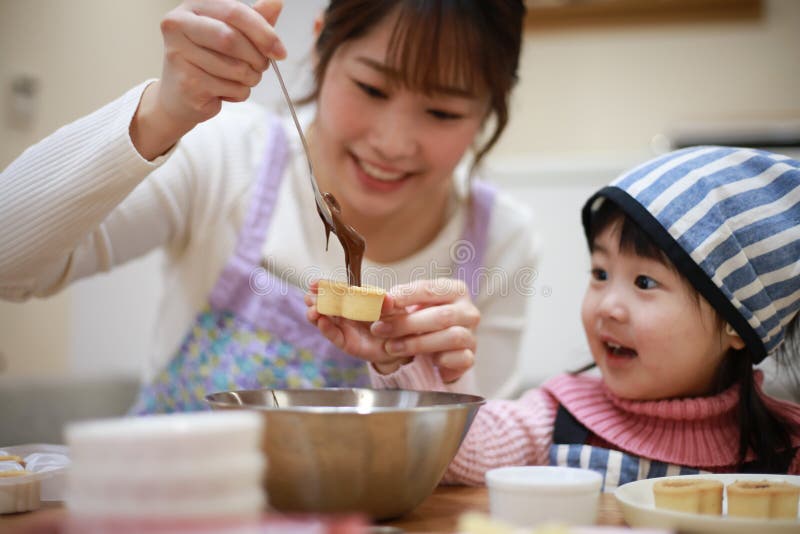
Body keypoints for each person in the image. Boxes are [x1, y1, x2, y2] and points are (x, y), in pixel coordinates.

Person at [0, 0, 537, 412]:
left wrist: (434, 371)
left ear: (492, 106)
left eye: (442, 112)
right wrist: (160, 113)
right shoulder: (230, 155)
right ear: (322, 47)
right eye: (372, 89)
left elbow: (480, 467)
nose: (393, 142)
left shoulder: (499, 240)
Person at [310, 145, 800, 486]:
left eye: (645, 283)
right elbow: (461, 455)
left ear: (738, 322)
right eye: (601, 273)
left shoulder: (787, 451)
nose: (608, 304)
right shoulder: (556, 416)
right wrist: (407, 354)